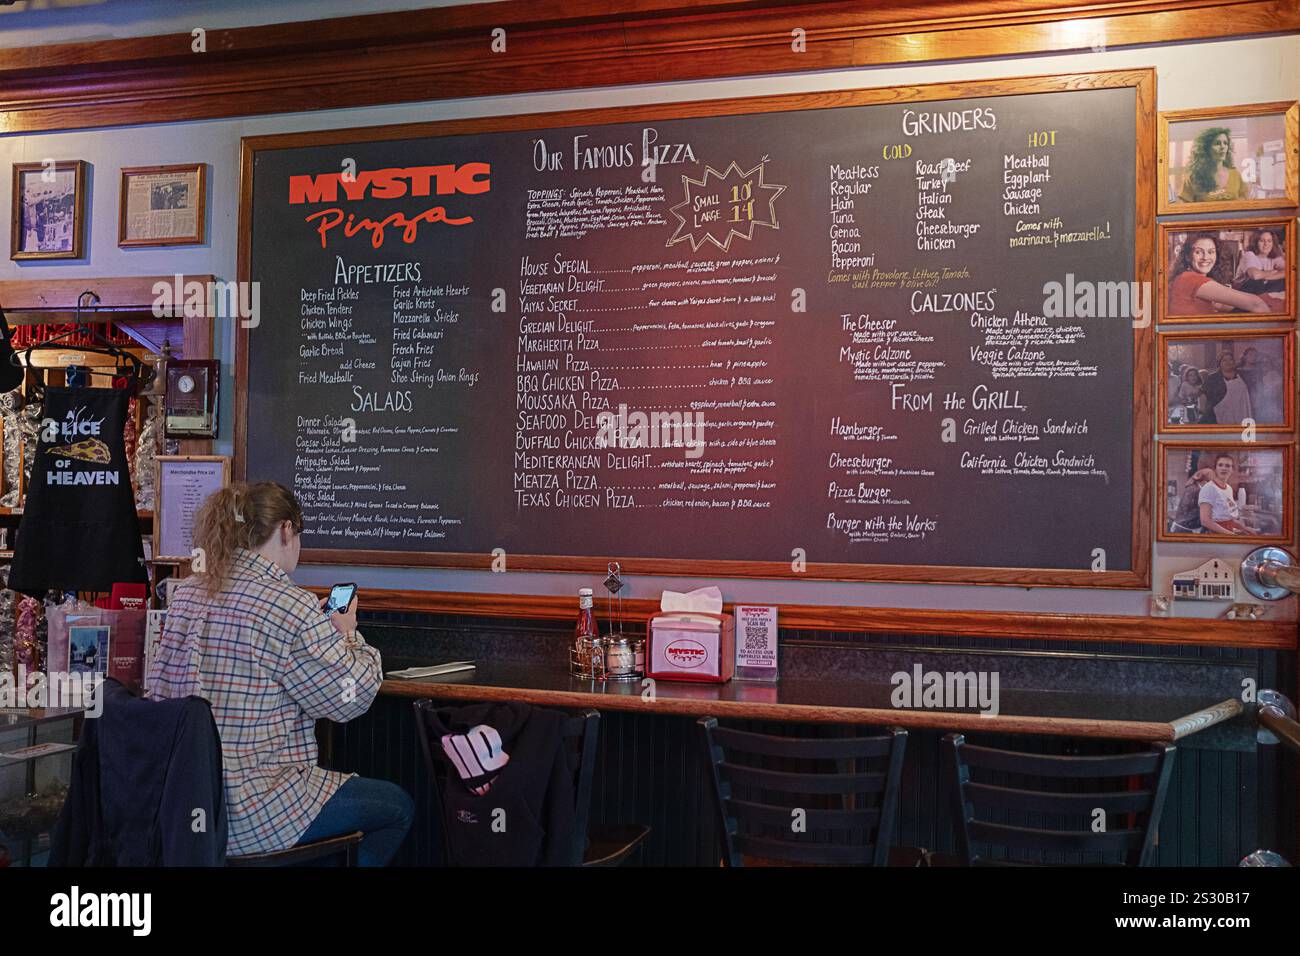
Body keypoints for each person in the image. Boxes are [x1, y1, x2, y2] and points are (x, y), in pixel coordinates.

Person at [146, 481, 413, 866]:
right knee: (397, 808)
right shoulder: (290, 605)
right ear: (286, 529)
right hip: (248, 809)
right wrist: (348, 633)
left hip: (177, 803)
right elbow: (351, 699)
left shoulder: (187, 593)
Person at [1167, 234, 1271, 316]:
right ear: (1188, 256)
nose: (1206, 257)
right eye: (1198, 252)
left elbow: (1220, 305)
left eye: (1211, 252)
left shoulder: (1184, 277)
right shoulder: (1190, 279)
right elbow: (1257, 304)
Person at [1177, 127, 1250, 204]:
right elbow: (1184, 209)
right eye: (1217, 143)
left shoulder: (1235, 175)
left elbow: (1245, 202)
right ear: (1205, 148)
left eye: (1225, 143)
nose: (1223, 147)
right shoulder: (1193, 177)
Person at [1197, 453, 1251, 534]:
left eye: (1228, 466)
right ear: (1215, 468)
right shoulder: (1209, 488)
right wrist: (1230, 535)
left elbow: (1229, 519)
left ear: (1232, 470)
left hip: (1228, 531)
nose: (1223, 468)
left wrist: (1245, 529)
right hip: (1215, 534)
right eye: (1220, 465)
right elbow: (1205, 521)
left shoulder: (1229, 488)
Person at [1200, 351, 1253, 426]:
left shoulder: (1243, 375)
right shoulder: (1212, 378)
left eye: (1230, 359)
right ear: (1219, 363)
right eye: (1224, 360)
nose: (1228, 362)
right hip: (1220, 415)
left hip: (1242, 412)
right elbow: (1203, 395)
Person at [1235, 229, 1287, 295]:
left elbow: (1288, 271)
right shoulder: (1249, 255)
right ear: (1255, 243)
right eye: (1262, 241)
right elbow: (1255, 275)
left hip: (1260, 290)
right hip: (1240, 291)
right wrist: (1275, 271)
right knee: (1257, 282)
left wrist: (1266, 277)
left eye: (1269, 241)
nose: (1266, 244)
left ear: (1273, 243)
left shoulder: (1275, 256)